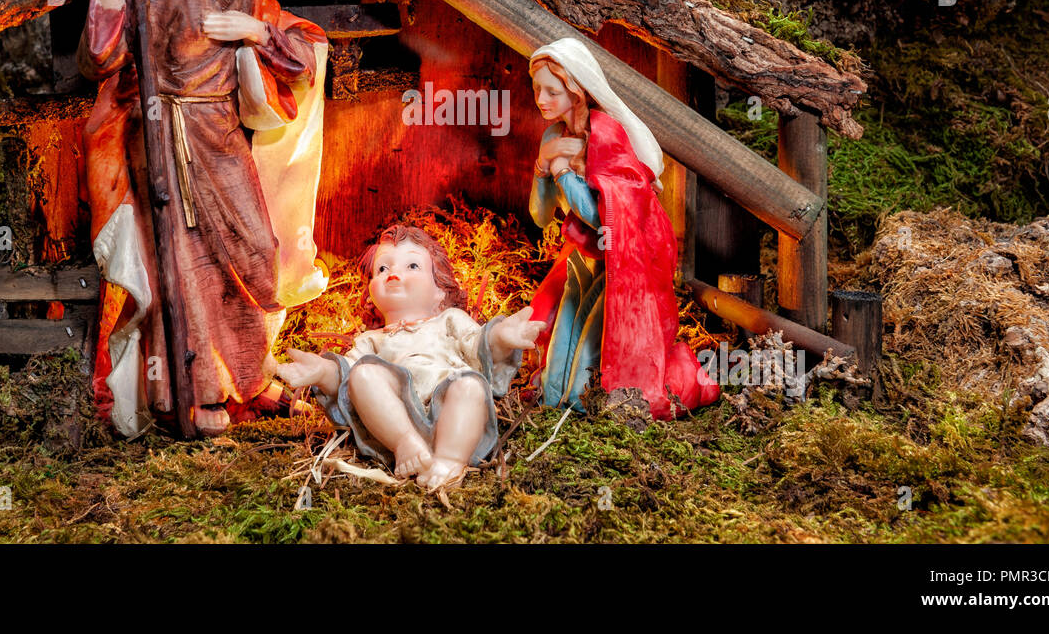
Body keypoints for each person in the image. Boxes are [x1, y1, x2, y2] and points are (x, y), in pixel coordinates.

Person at [79, 0, 329, 437]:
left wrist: (258, 31)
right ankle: (196, 394)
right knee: (184, 267)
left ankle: (251, 374)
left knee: (256, 251)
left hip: (221, 134)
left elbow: (305, 54)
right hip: (167, 139)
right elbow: (103, 59)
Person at [526, 37, 720, 420]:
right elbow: (540, 215)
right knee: (556, 358)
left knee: (586, 355)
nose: (542, 99)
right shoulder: (552, 138)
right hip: (585, 257)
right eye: (536, 90)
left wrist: (562, 170)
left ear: (577, 90)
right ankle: (555, 409)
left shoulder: (607, 134)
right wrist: (541, 167)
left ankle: (591, 409)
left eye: (552, 90)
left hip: (627, 258)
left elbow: (603, 218)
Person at [277, 225, 544, 489]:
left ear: (440, 288)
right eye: (382, 269)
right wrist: (322, 371)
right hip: (395, 418)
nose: (393, 274)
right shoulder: (371, 339)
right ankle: (406, 442)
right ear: (371, 293)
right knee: (362, 373)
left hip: (452, 412)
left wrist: (499, 336)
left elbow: (477, 348)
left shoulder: (450, 320)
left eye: (412, 266)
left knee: (470, 385)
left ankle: (449, 460)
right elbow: (347, 379)